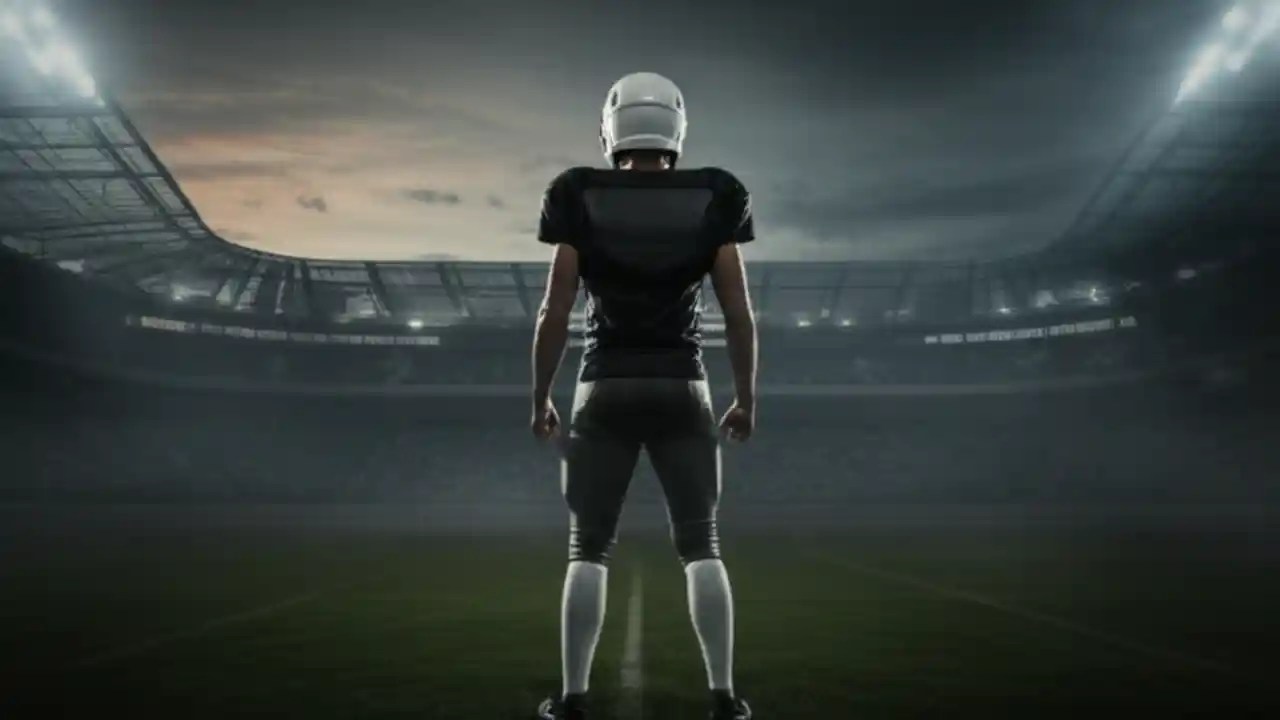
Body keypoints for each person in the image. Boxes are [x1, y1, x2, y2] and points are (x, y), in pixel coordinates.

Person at [529, 71, 758, 720]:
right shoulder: (717, 193)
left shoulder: (577, 191)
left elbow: (555, 308)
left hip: (603, 386)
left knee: (588, 548)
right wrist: (745, 397)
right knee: (701, 543)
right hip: (684, 385)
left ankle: (573, 699)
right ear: (676, 128)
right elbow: (738, 313)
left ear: (611, 128)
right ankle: (724, 698)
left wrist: (540, 395)